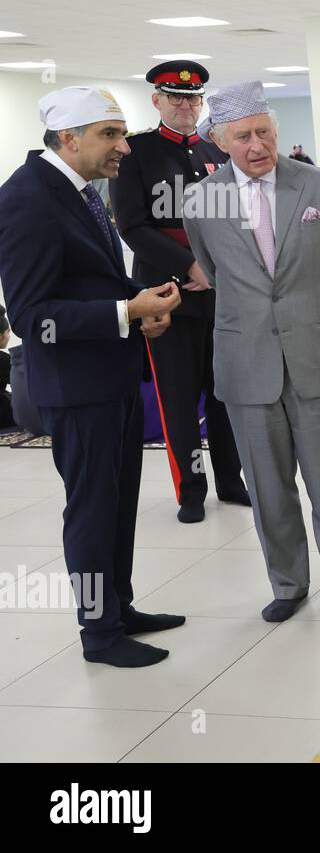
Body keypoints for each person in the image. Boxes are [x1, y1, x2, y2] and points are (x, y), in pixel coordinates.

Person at [0, 86, 185, 668]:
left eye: (123, 133)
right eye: (110, 135)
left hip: (110, 374)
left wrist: (138, 301)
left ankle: (119, 608)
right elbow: (32, 316)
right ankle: (97, 634)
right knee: (90, 509)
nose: (124, 147)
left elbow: (88, 279)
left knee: (119, 499)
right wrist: (123, 314)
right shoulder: (27, 200)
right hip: (76, 389)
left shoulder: (79, 190)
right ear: (67, 138)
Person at [185, 80, 320, 623]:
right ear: (221, 141)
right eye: (242, 136)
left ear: (276, 131)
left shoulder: (319, 185)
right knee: (267, 486)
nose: (256, 145)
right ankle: (288, 584)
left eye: (264, 132)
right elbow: (214, 270)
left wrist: (303, 313)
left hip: (315, 356)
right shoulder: (202, 199)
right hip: (247, 364)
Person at [111, 59, 248, 524]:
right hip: (166, 294)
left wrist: (216, 267)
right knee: (177, 396)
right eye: (176, 97)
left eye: (192, 97)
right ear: (157, 100)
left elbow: (233, 218)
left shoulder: (217, 149)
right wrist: (189, 265)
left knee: (226, 392)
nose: (186, 105)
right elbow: (132, 225)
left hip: (220, 292)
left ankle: (232, 481)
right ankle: (191, 490)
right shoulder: (137, 153)